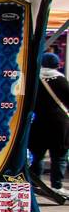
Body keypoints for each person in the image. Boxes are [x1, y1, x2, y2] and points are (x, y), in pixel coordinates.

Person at [30, 51, 69, 195]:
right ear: (56, 65)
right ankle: (57, 186)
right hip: (59, 125)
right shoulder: (61, 80)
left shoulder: (33, 80)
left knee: (37, 156)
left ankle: (34, 184)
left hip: (37, 123)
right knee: (59, 157)